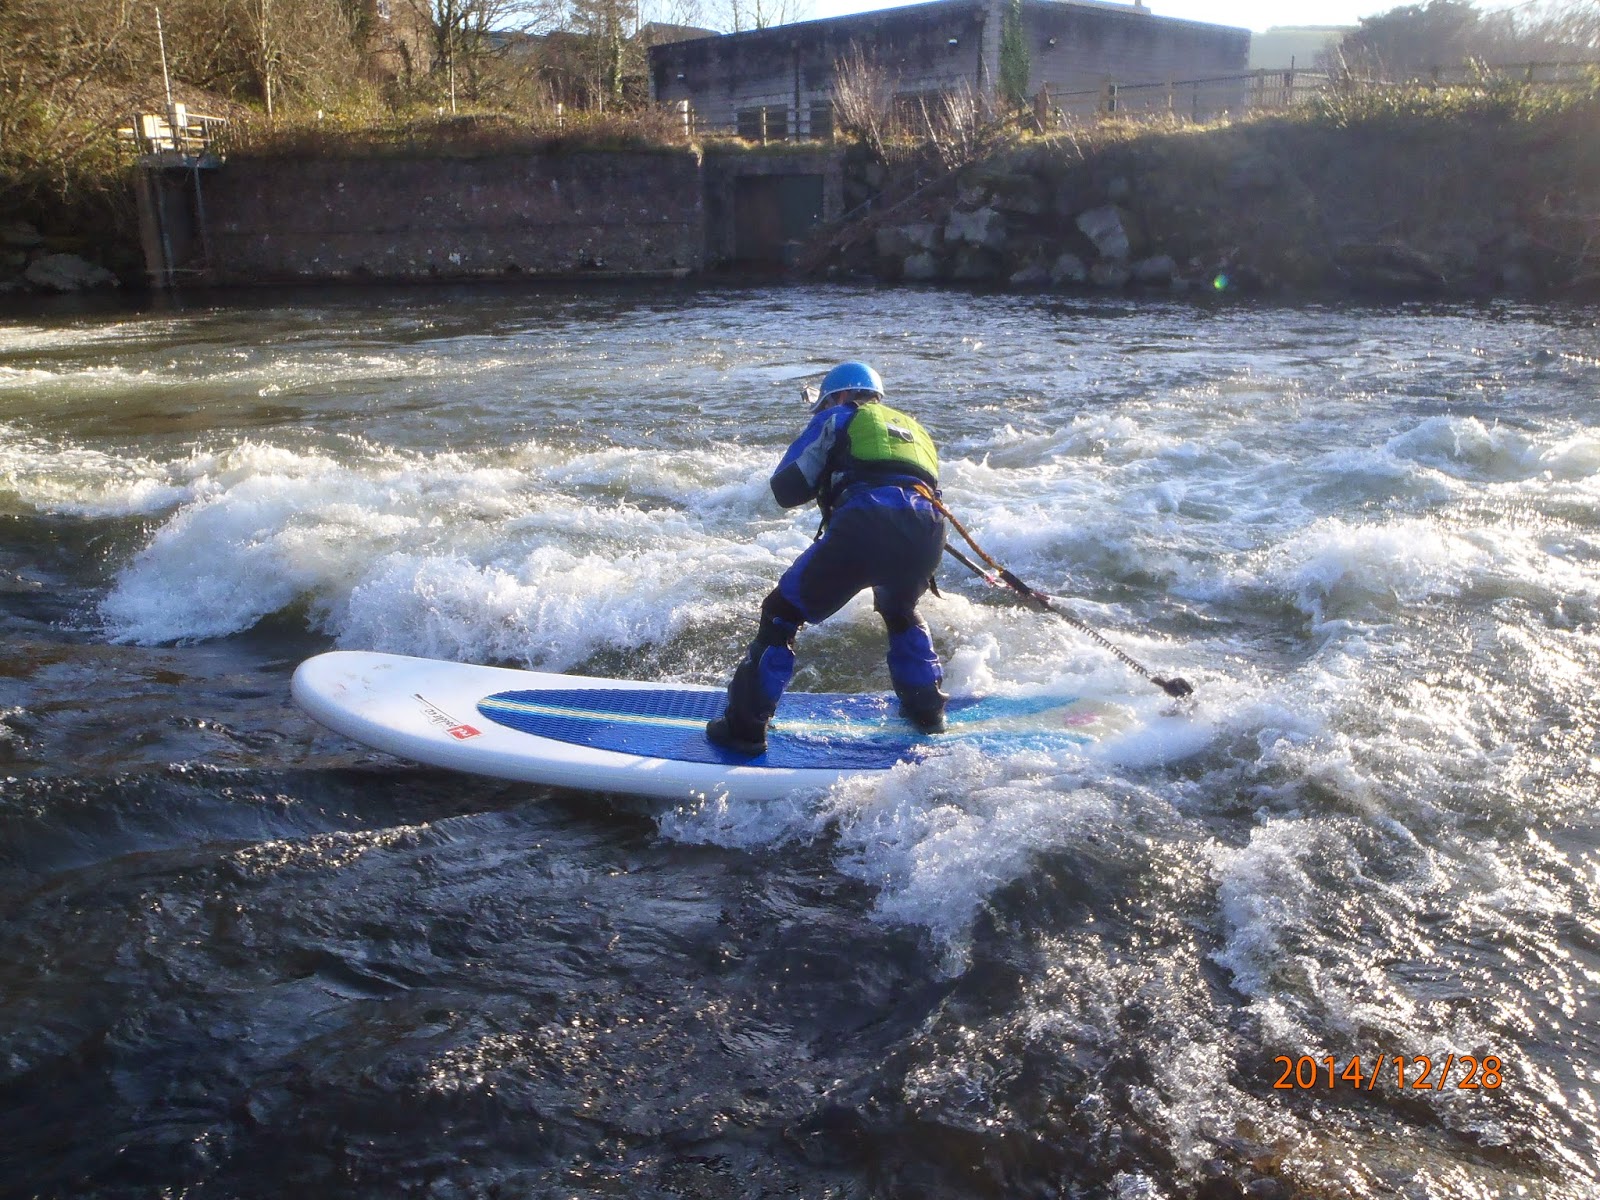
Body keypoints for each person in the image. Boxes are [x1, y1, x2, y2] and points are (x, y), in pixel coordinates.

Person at [706, 361, 949, 756]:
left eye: (822, 404)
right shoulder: (914, 428)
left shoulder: (838, 416)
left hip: (867, 521)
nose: (821, 411)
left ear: (838, 396)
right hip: (929, 527)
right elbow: (909, 482)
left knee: (780, 614)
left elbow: (787, 488)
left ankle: (743, 730)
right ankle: (927, 712)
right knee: (900, 609)